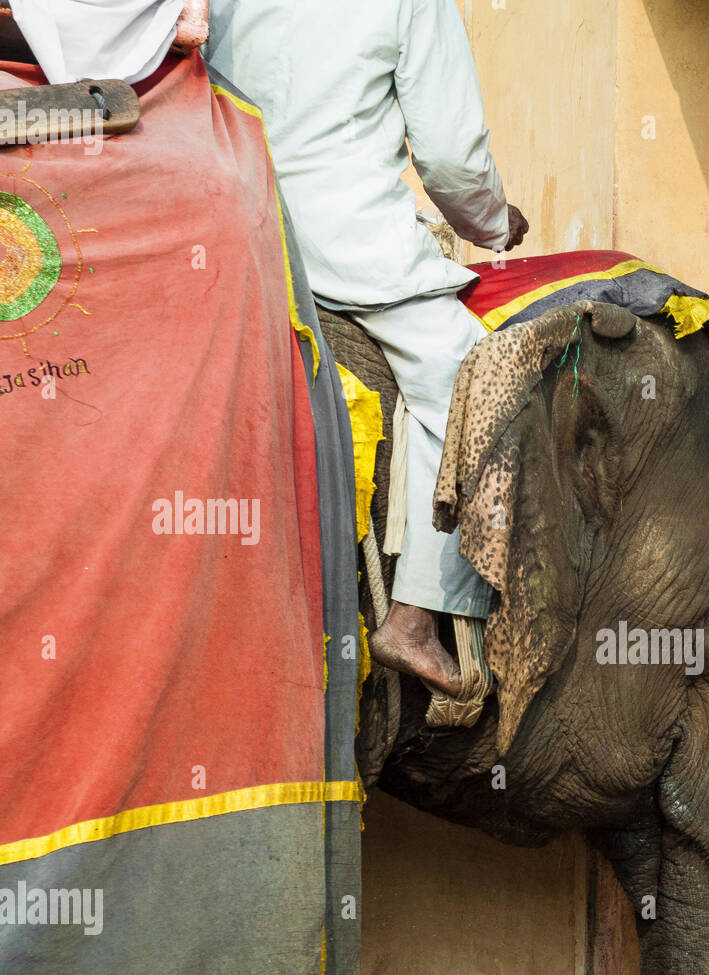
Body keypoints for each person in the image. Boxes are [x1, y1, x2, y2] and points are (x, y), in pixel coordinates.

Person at [206, 0, 528, 695]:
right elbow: (448, 156)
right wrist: (495, 224)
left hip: (229, 234)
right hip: (348, 247)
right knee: (473, 380)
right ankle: (414, 616)